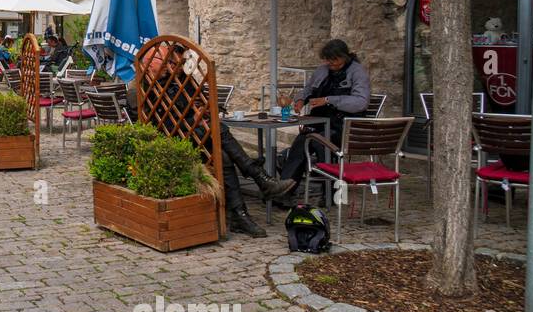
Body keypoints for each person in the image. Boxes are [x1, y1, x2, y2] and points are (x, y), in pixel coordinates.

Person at [127, 44, 294, 237]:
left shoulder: (178, 80)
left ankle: (241, 214)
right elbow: (159, 128)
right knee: (218, 128)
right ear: (149, 63)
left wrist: (203, 109)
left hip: (197, 136)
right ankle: (259, 177)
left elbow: (198, 101)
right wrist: (195, 118)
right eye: (169, 63)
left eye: (175, 64)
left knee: (223, 155)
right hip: (172, 144)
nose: (173, 68)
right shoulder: (138, 90)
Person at [273, 38, 372, 204]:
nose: (331, 64)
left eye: (334, 60)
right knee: (301, 142)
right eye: (328, 60)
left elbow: (361, 102)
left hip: (344, 126)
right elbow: (308, 89)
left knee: (319, 143)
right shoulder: (322, 70)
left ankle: (330, 193)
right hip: (319, 123)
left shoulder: (357, 72)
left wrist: (328, 100)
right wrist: (300, 100)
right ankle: (284, 191)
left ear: (344, 56)